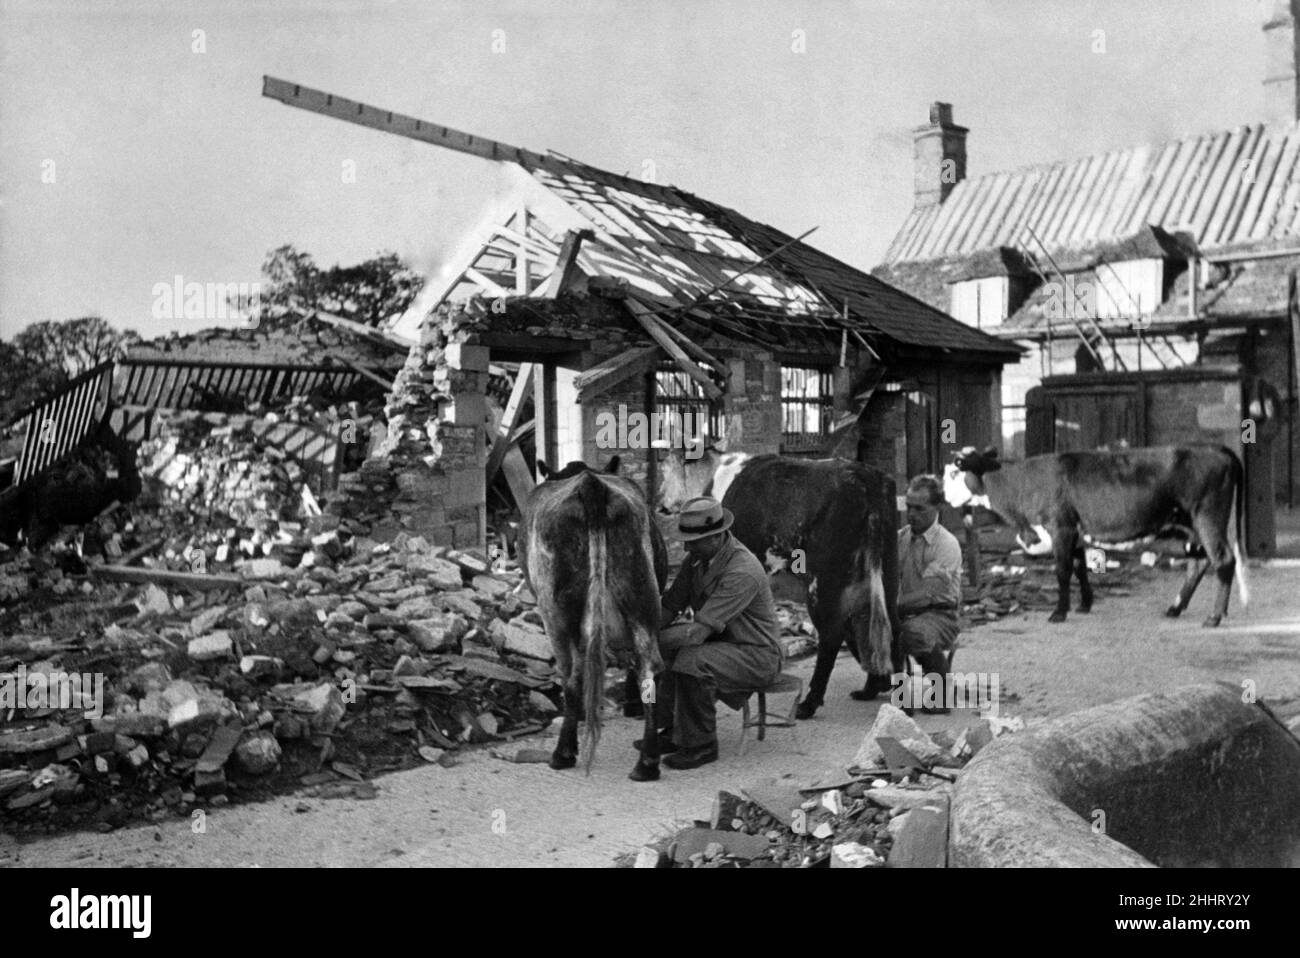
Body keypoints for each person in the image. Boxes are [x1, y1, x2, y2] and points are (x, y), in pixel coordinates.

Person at [638, 496, 783, 770]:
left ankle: (702, 745)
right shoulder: (697, 560)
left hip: (756, 654)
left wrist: (647, 643)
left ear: (716, 537)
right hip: (725, 644)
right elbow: (671, 605)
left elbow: (697, 633)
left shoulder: (742, 570)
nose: (686, 546)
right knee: (670, 654)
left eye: (693, 541)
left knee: (692, 660)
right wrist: (641, 630)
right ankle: (674, 731)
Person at [897, 474, 964, 713]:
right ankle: (879, 678)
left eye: (919, 508)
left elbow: (928, 594)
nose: (911, 514)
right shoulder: (902, 538)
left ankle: (943, 692)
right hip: (907, 611)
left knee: (912, 632)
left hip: (941, 615)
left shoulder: (946, 544)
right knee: (857, 623)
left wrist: (892, 607)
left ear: (937, 508)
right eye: (909, 507)